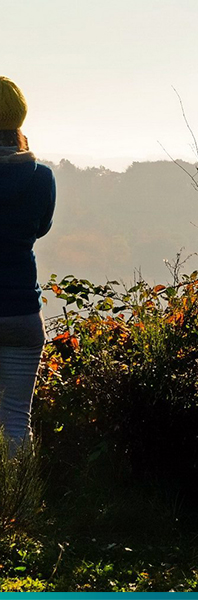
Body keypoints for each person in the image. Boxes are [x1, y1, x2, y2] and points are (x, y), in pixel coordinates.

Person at [0, 77, 56, 454]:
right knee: (17, 418)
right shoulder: (41, 177)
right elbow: (41, 228)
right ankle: (19, 509)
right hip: (21, 310)